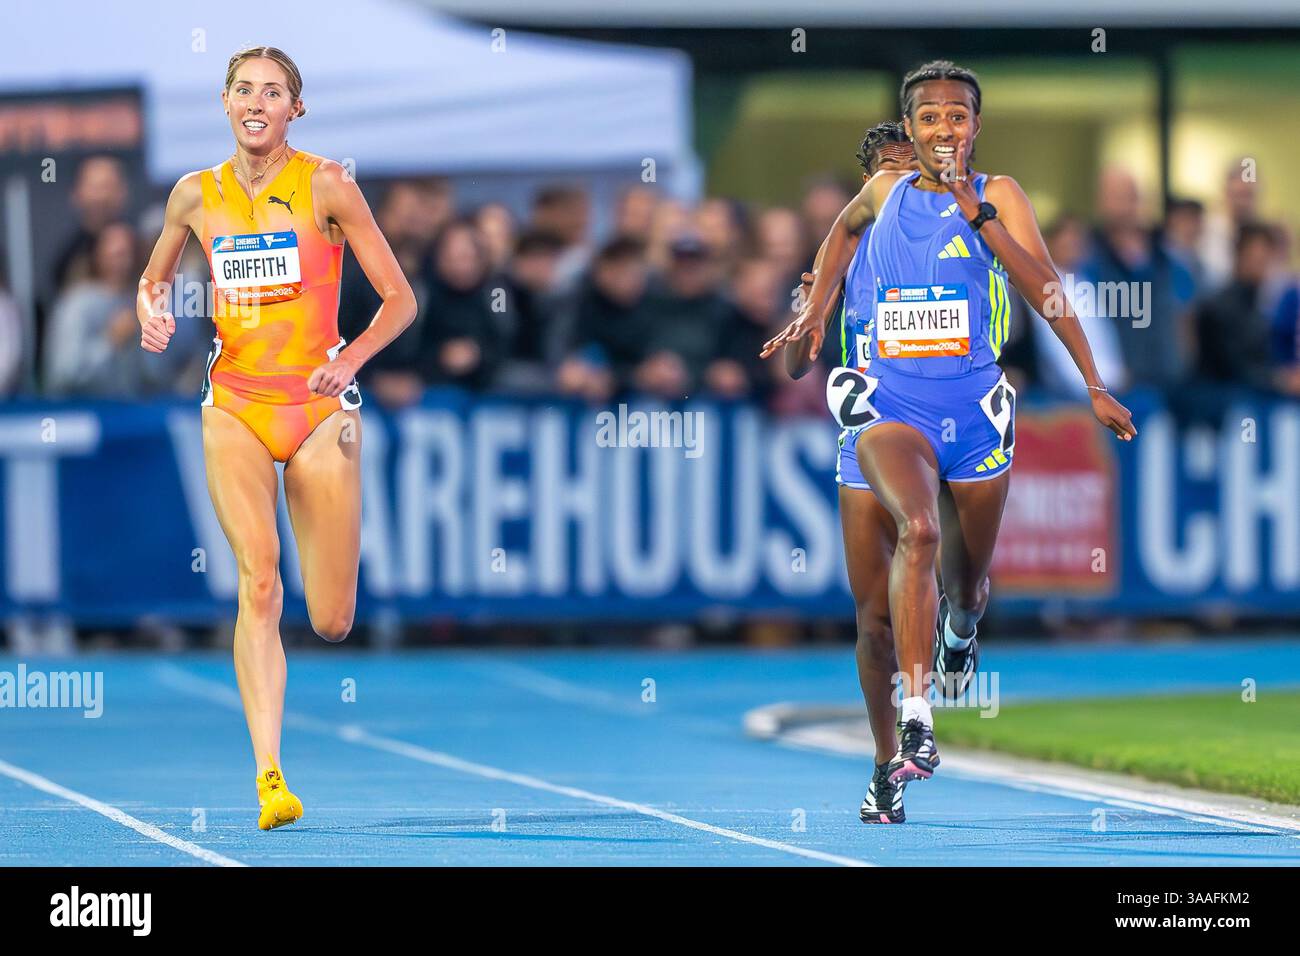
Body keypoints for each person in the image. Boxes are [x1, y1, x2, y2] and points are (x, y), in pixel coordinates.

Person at [762, 60, 1135, 821]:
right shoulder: (863, 234)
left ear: (970, 128)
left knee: (962, 583)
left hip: (970, 418)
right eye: (904, 149)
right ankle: (897, 748)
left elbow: (1044, 288)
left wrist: (1092, 381)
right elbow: (804, 355)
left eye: (951, 122)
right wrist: (810, 313)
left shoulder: (987, 202)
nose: (920, 155)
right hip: (880, 417)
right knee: (894, 575)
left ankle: (962, 629)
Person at [135, 46, 416, 830]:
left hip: (323, 410)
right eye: (245, 89)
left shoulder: (328, 184)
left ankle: (316, 652)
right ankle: (269, 775)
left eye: (275, 91)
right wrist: (150, 310)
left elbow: (400, 301)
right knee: (258, 579)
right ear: (225, 103)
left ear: (297, 109)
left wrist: (350, 360)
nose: (258, 101)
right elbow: (153, 278)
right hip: (234, 406)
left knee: (331, 618)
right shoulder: (194, 195)